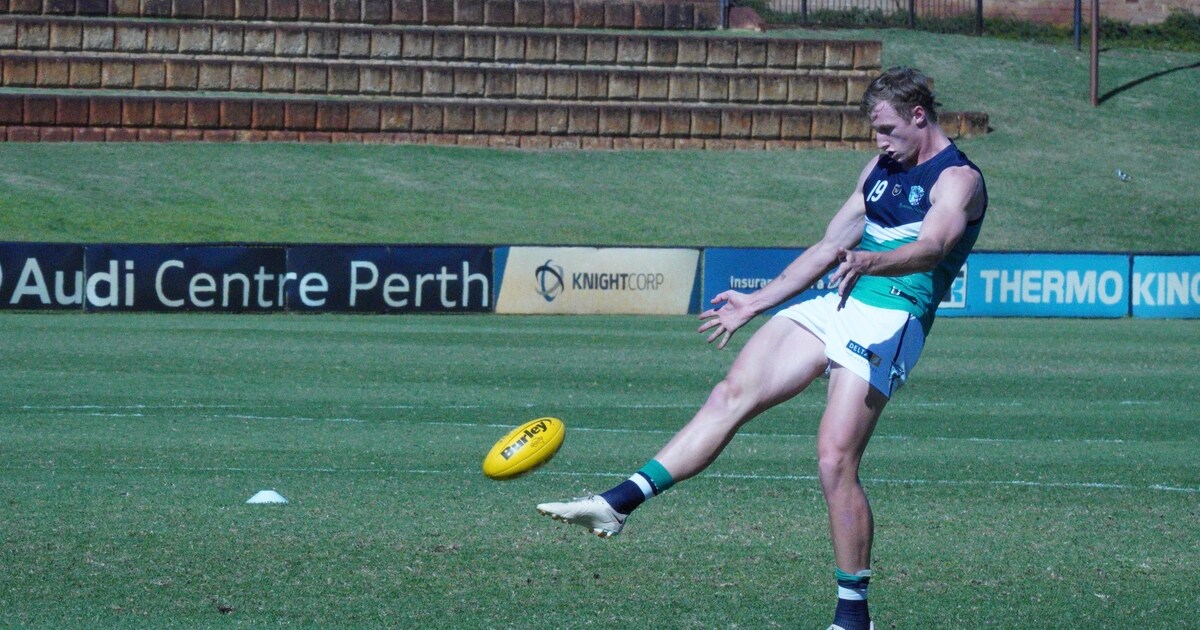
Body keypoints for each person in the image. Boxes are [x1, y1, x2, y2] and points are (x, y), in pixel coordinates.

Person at [537, 66, 987, 630]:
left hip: (894, 314)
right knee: (731, 393)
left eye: (887, 129)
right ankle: (616, 504)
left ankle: (854, 618)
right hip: (841, 302)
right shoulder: (878, 168)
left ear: (919, 117)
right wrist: (756, 303)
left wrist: (872, 260)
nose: (879, 141)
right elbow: (829, 246)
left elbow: (933, 245)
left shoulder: (957, 179)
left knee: (834, 459)